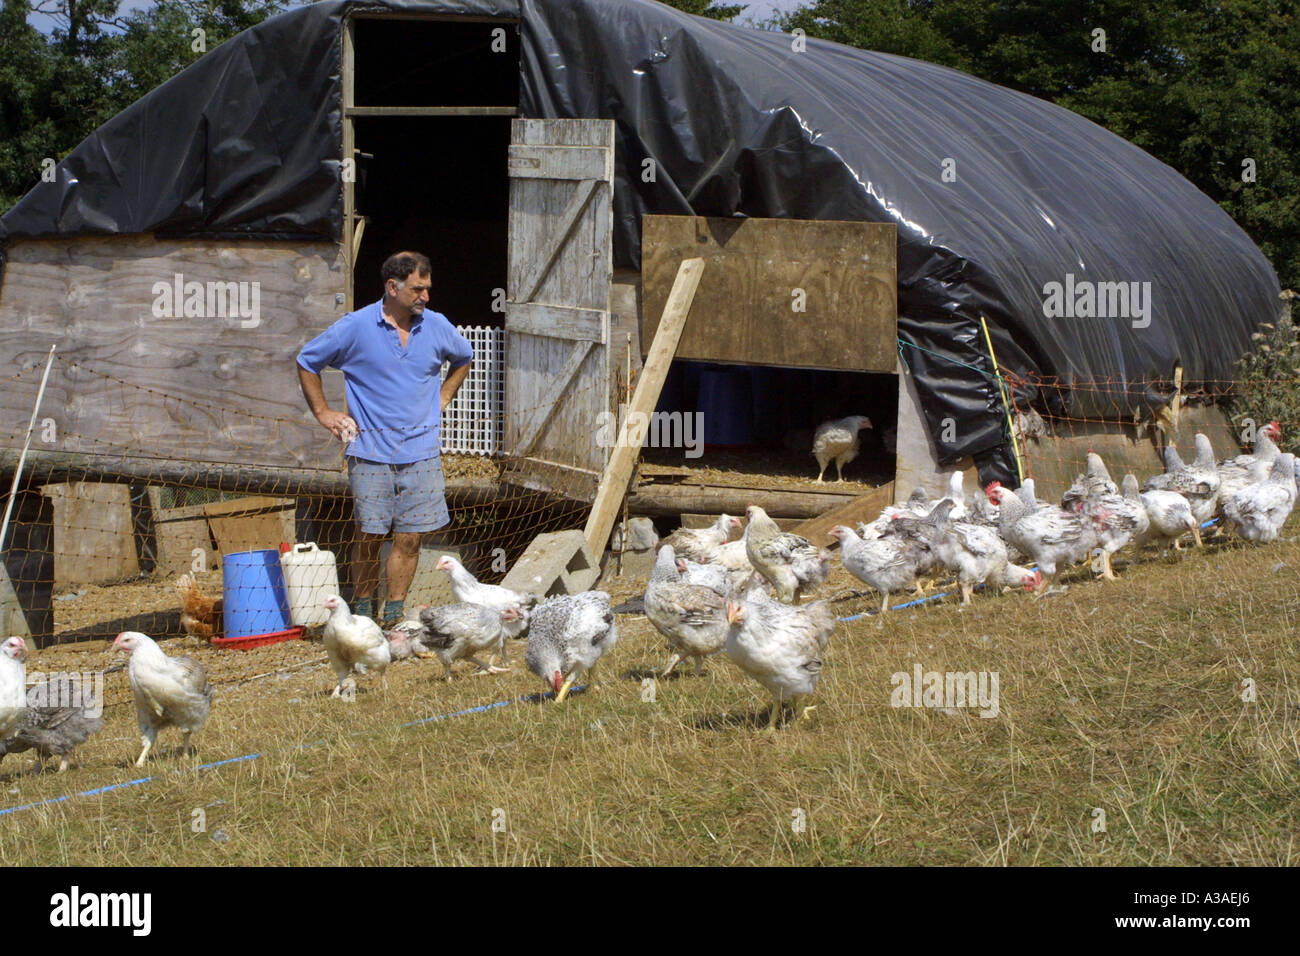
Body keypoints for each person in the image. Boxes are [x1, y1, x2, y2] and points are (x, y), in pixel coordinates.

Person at [296, 251, 473, 626]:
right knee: (370, 533)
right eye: (417, 289)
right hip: (371, 451)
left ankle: (393, 615)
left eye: (427, 289)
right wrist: (324, 414)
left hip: (422, 451)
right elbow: (307, 361)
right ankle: (362, 611)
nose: (425, 297)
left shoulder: (437, 326)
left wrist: (443, 398)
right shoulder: (356, 326)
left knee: (410, 538)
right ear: (392, 287)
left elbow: (463, 358)